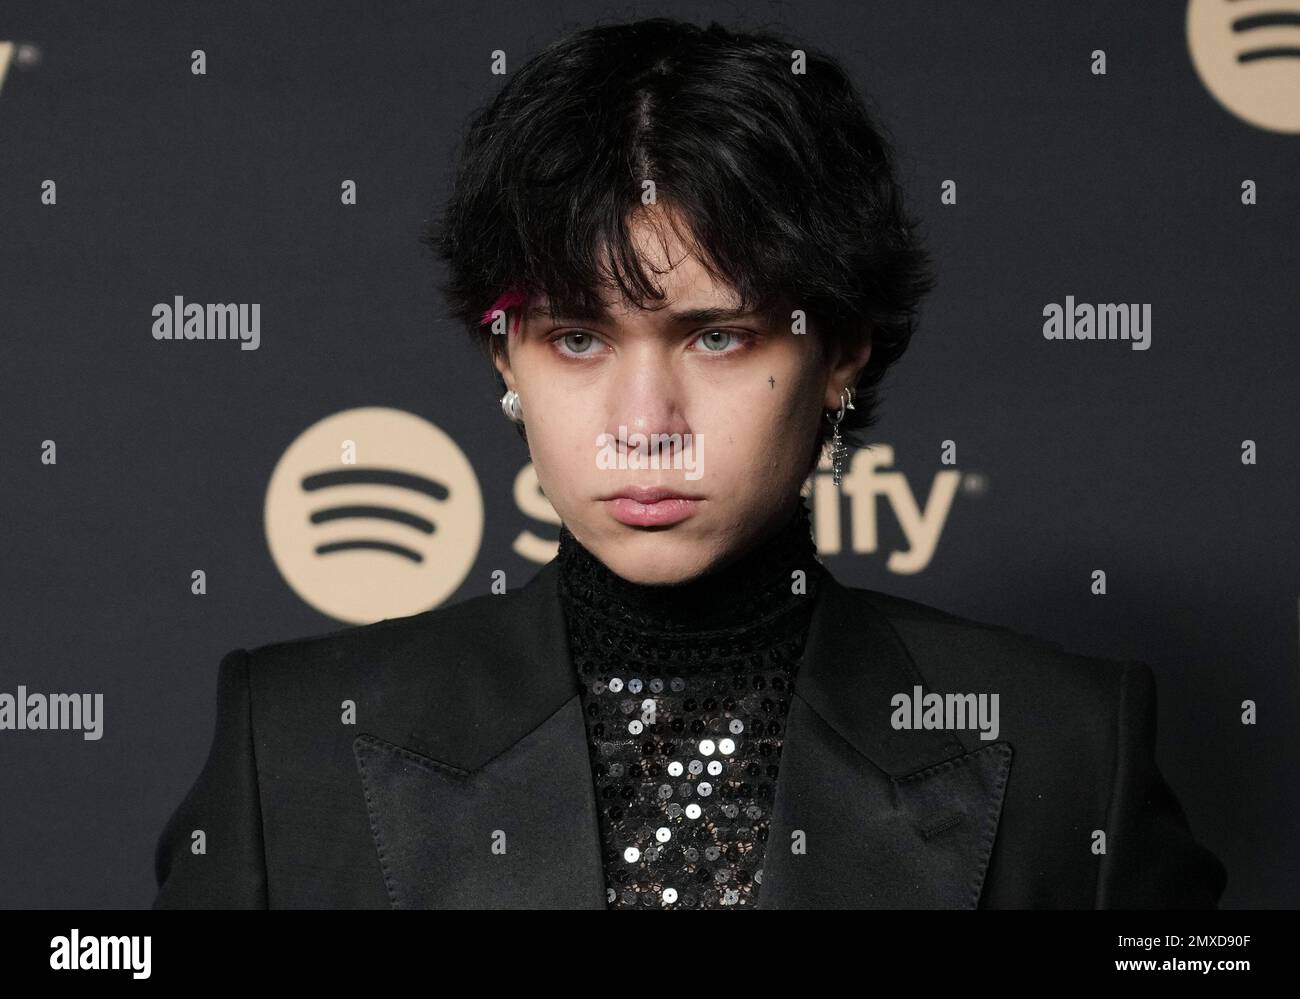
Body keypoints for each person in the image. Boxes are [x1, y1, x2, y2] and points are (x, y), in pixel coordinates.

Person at [152, 17, 1226, 909]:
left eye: (719, 338)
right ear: (505, 360)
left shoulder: (1068, 747)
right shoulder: (290, 745)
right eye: (576, 338)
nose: (645, 423)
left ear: (840, 351)